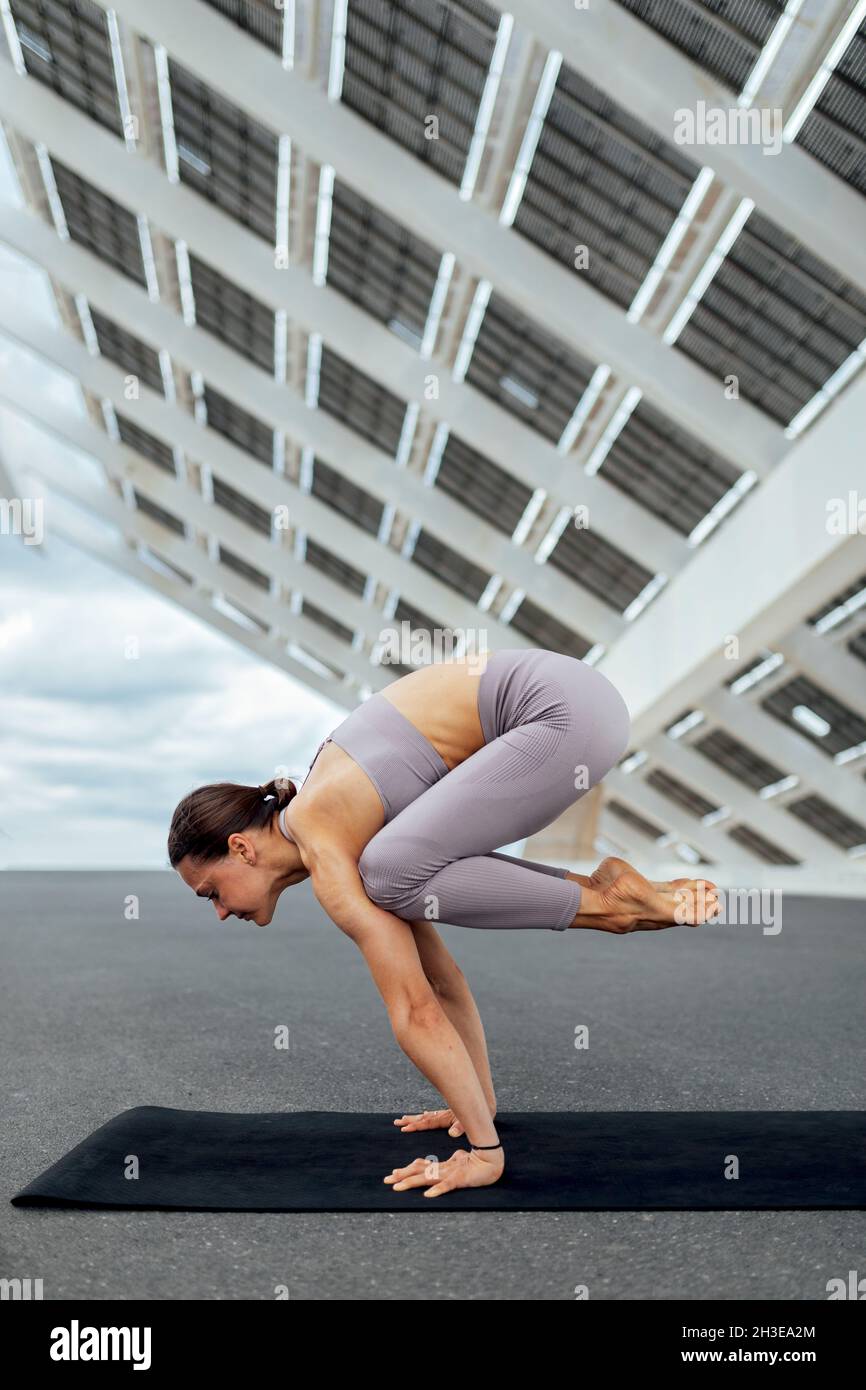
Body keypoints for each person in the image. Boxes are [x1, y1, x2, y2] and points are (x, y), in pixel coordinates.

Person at [168, 647, 719, 1198]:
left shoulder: (325, 840)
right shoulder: (337, 824)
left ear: (240, 848)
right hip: (579, 709)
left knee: (387, 874)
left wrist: (484, 1154)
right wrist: (473, 1103)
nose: (219, 912)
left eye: (210, 892)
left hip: (560, 715)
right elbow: (441, 983)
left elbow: (413, 1010)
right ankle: (608, 897)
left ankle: (611, 904)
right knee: (393, 872)